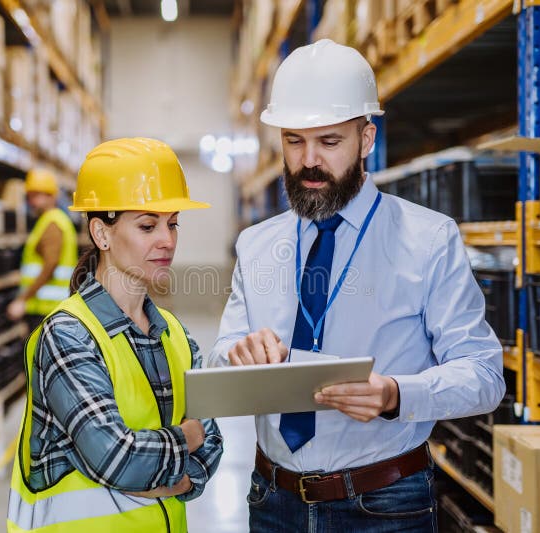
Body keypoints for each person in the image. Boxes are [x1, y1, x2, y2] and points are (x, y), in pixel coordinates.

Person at [208, 39, 505, 532]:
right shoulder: (257, 245)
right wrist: (238, 355)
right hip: (272, 500)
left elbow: (485, 375)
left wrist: (395, 394)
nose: (308, 161)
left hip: (384, 505)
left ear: (366, 139)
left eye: (329, 142)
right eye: (294, 141)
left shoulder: (428, 239)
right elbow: (221, 356)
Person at [7, 138, 224, 533]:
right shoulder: (68, 335)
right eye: (148, 225)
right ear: (101, 234)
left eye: (173, 223)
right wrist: (185, 438)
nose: (168, 240)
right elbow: (117, 457)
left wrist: (179, 473)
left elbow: (213, 442)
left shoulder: (176, 335)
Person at [7, 168, 78, 332]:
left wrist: (23, 299)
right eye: (31, 196)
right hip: (47, 308)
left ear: (52, 196)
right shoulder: (49, 220)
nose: (33, 201)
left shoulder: (53, 223)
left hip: (47, 310)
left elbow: (51, 265)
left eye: (38, 195)